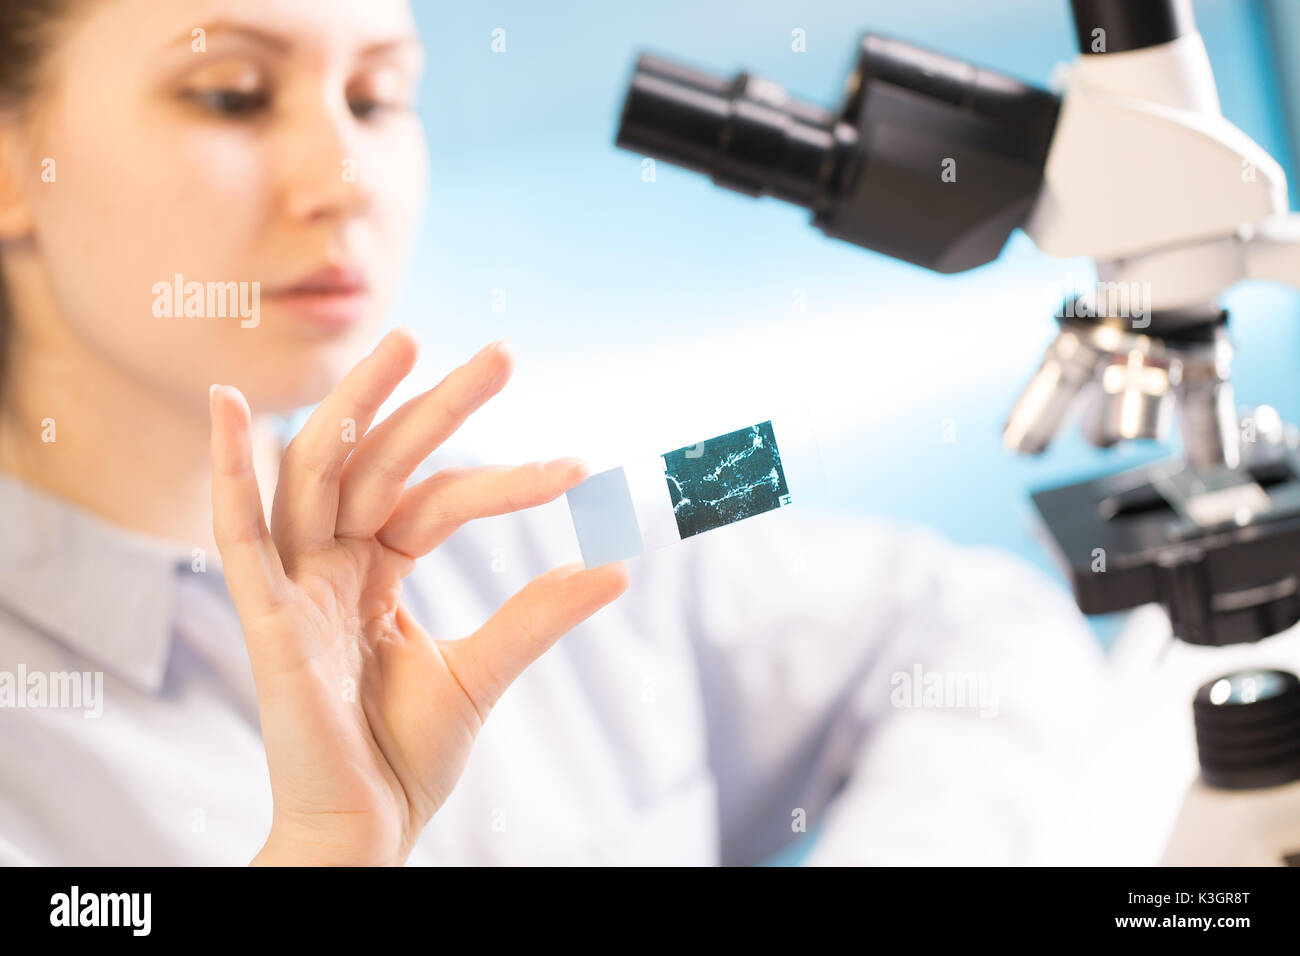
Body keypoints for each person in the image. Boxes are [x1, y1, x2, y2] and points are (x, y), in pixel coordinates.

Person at [0, 0, 1115, 865]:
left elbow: (983, 617)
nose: (344, 181)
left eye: (378, 98)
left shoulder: (543, 505)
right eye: (233, 95)